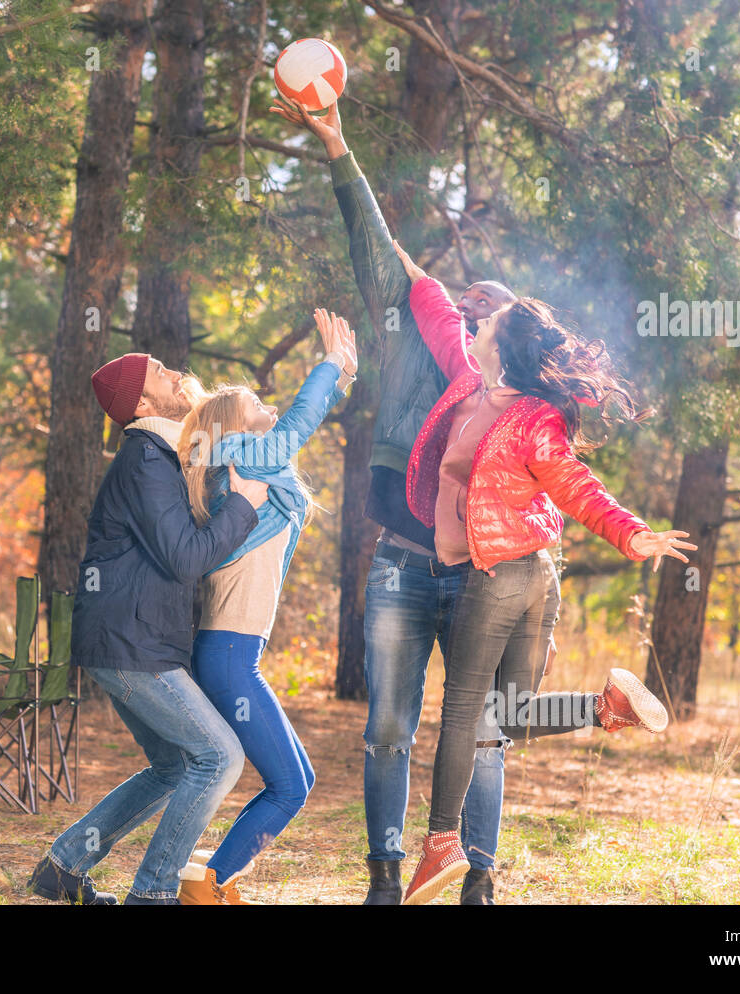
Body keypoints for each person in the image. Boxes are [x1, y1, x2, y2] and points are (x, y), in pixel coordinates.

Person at [393, 244, 698, 905]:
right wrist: (411, 267)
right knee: (502, 721)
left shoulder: (531, 416)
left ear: (500, 345)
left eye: (487, 325)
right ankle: (604, 707)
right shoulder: (480, 388)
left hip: (501, 577)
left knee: (464, 715)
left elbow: (573, 482)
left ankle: (443, 843)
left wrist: (628, 531)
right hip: (534, 576)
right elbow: (442, 316)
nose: (475, 327)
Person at [270, 93, 515, 905]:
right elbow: (375, 246)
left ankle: (477, 874)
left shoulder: (512, 389)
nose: (483, 331)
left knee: (481, 728)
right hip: (403, 565)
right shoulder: (417, 330)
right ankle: (383, 873)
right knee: (386, 729)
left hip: (479, 573)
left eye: (498, 325)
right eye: (476, 312)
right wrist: (338, 147)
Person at [27, 352, 270, 906]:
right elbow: (186, 557)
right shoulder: (145, 457)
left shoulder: (165, 454)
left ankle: (63, 867)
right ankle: (154, 892)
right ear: (141, 403)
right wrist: (243, 506)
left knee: (173, 765)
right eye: (161, 373)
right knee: (219, 757)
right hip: (129, 644)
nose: (177, 375)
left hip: (134, 639)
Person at [174, 308, 358, 905]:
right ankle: (209, 887)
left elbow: (293, 433)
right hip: (229, 655)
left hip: (234, 652)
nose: (268, 405)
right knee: (288, 785)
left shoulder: (252, 465)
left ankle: (212, 882)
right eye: (256, 401)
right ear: (233, 423)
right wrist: (330, 365)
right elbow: (298, 424)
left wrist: (343, 372)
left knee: (299, 779)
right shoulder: (239, 454)